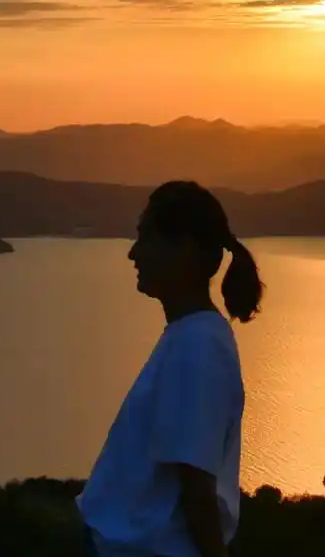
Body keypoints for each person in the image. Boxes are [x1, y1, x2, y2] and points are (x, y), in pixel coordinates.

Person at [78, 180, 264, 557]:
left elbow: (197, 488)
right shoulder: (189, 336)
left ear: (185, 250)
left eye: (147, 238)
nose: (133, 254)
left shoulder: (198, 346)